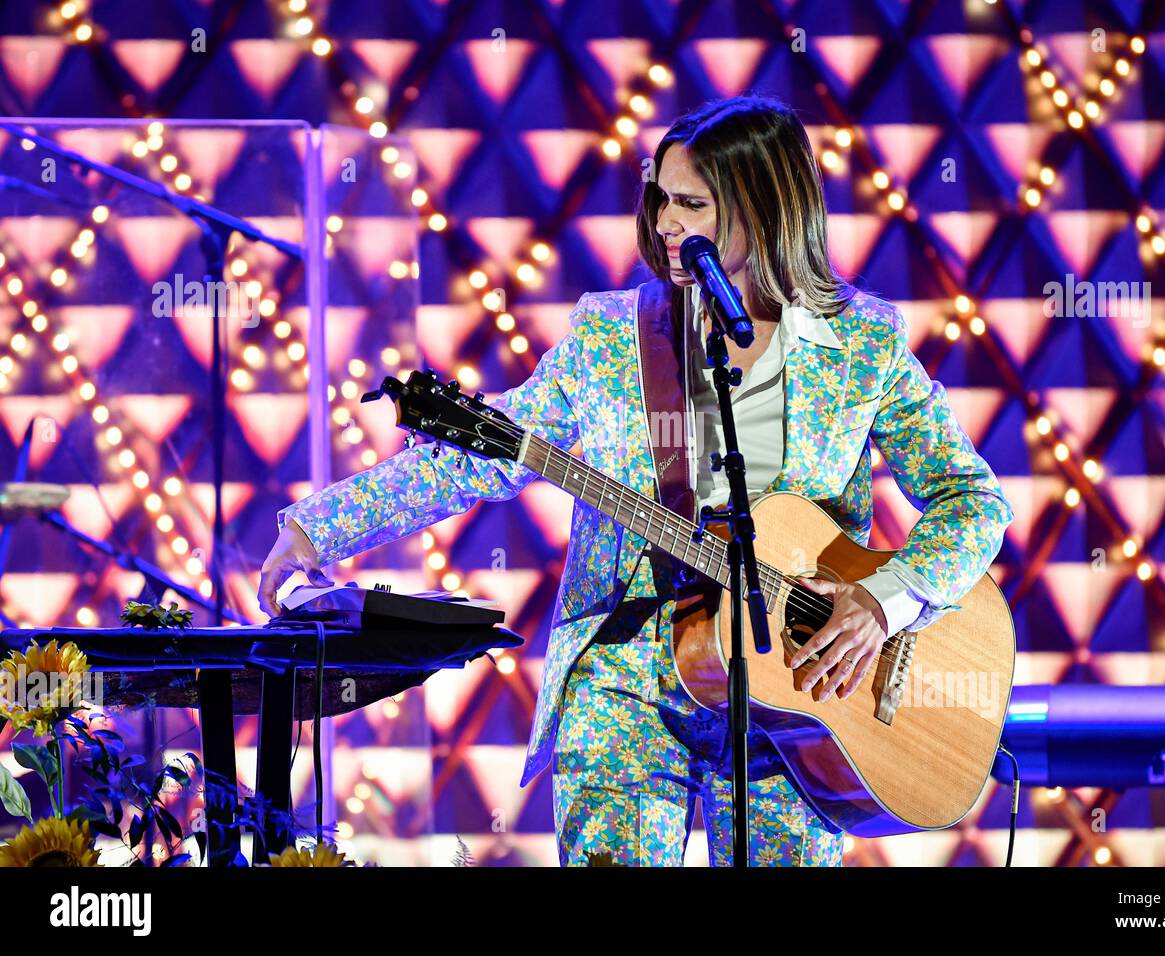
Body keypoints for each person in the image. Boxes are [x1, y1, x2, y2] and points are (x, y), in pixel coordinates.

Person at [258, 94, 1013, 867]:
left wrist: (886, 600)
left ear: (766, 208)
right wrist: (317, 527)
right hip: (626, 670)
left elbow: (972, 498)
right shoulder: (614, 334)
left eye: (693, 203)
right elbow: (485, 452)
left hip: (800, 692)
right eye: (661, 200)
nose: (665, 224)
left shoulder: (862, 341)